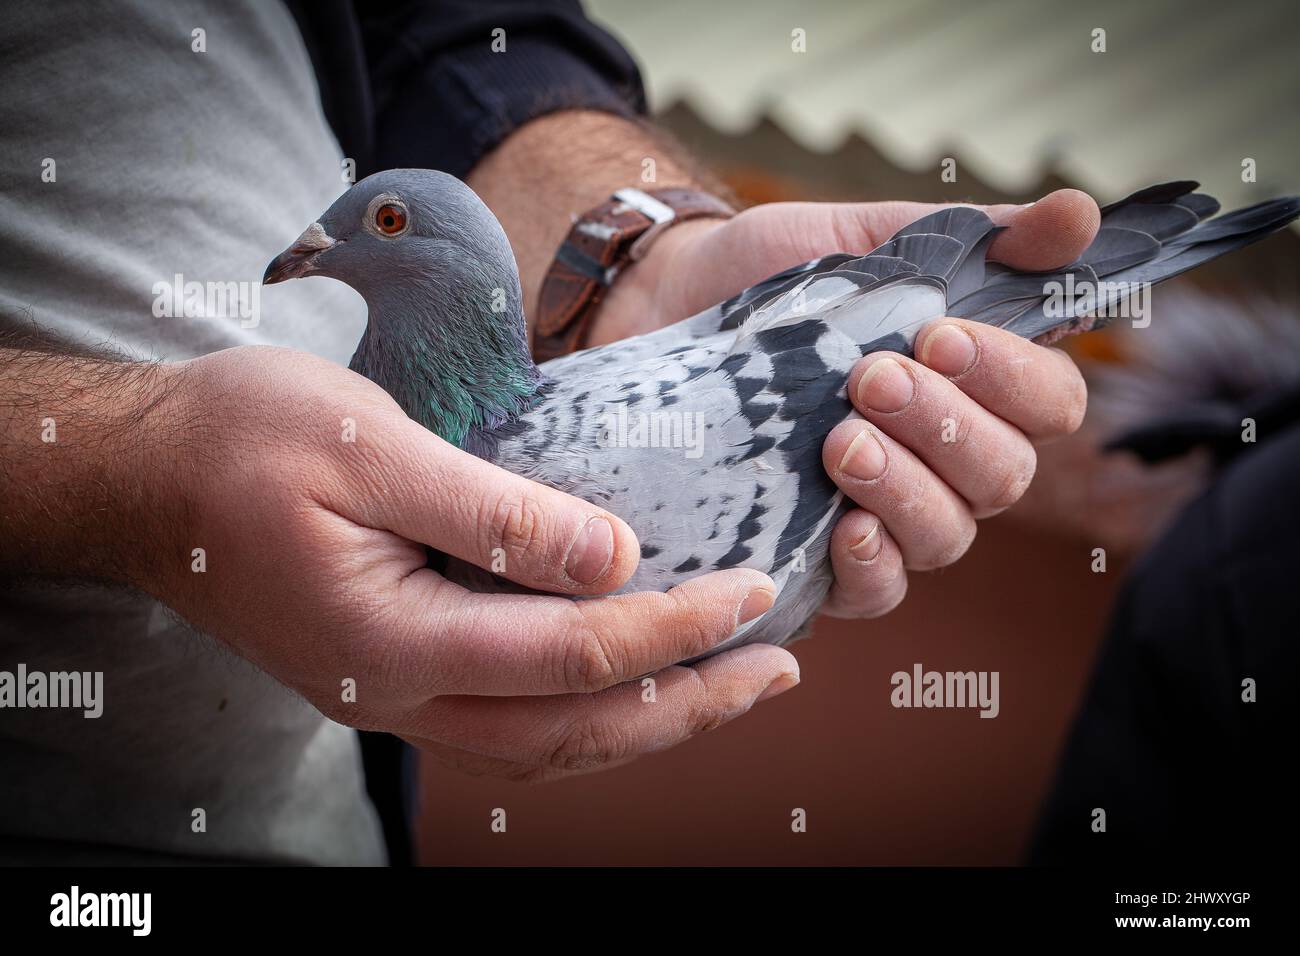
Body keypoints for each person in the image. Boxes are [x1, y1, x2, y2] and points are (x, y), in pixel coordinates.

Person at [0, 0, 1093, 865]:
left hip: (308, 821)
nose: (316, 246)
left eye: (379, 224)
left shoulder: (534, 473)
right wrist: (143, 473)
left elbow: (447, 24)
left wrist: (630, 252)